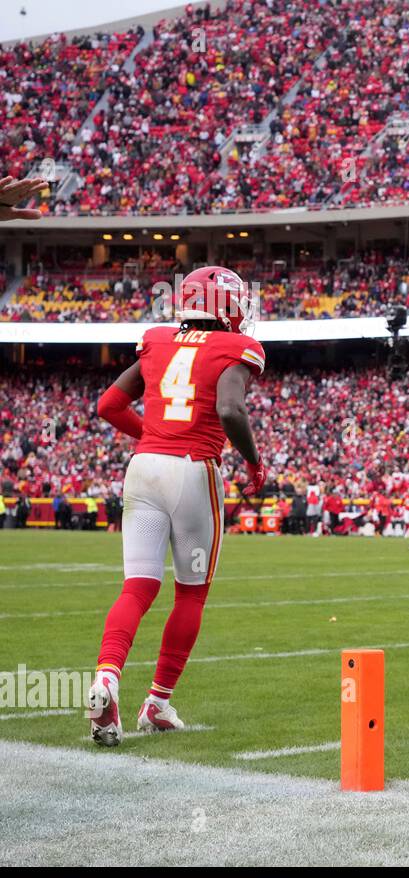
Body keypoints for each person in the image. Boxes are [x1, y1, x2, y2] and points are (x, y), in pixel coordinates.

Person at [88, 266, 266, 747]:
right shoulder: (236, 347)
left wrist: (151, 435)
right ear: (225, 305)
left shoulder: (157, 339)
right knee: (190, 593)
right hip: (193, 470)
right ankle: (158, 701)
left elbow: (108, 405)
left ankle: (106, 677)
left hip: (143, 469)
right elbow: (231, 410)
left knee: (137, 587)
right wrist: (254, 462)